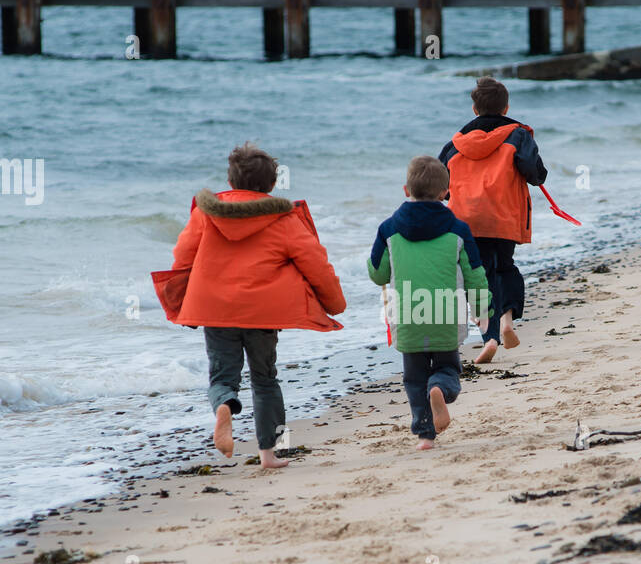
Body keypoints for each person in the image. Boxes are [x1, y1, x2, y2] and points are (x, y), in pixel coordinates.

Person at [166, 143, 345, 468]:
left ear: (232, 181)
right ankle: (268, 454)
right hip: (263, 311)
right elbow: (315, 262)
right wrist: (334, 302)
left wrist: (179, 299)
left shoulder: (206, 213)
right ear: (272, 184)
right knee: (264, 378)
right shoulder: (283, 217)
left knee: (222, 375)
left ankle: (224, 406)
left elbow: (181, 257)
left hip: (215, 308)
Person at [367, 155, 490, 450]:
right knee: (447, 367)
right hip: (446, 312)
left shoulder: (388, 229)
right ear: (445, 193)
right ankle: (440, 388)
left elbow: (377, 273)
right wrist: (483, 310)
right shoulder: (458, 229)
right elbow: (475, 274)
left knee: (413, 377)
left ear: (405, 190)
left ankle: (425, 435)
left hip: (407, 314)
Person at [438, 76, 547, 364]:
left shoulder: (455, 143)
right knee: (505, 266)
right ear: (506, 107)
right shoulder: (518, 135)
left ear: (474, 110)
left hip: (467, 219)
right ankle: (507, 320)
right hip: (503, 216)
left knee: (480, 276)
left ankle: (490, 337)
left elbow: (440, 184)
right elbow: (536, 174)